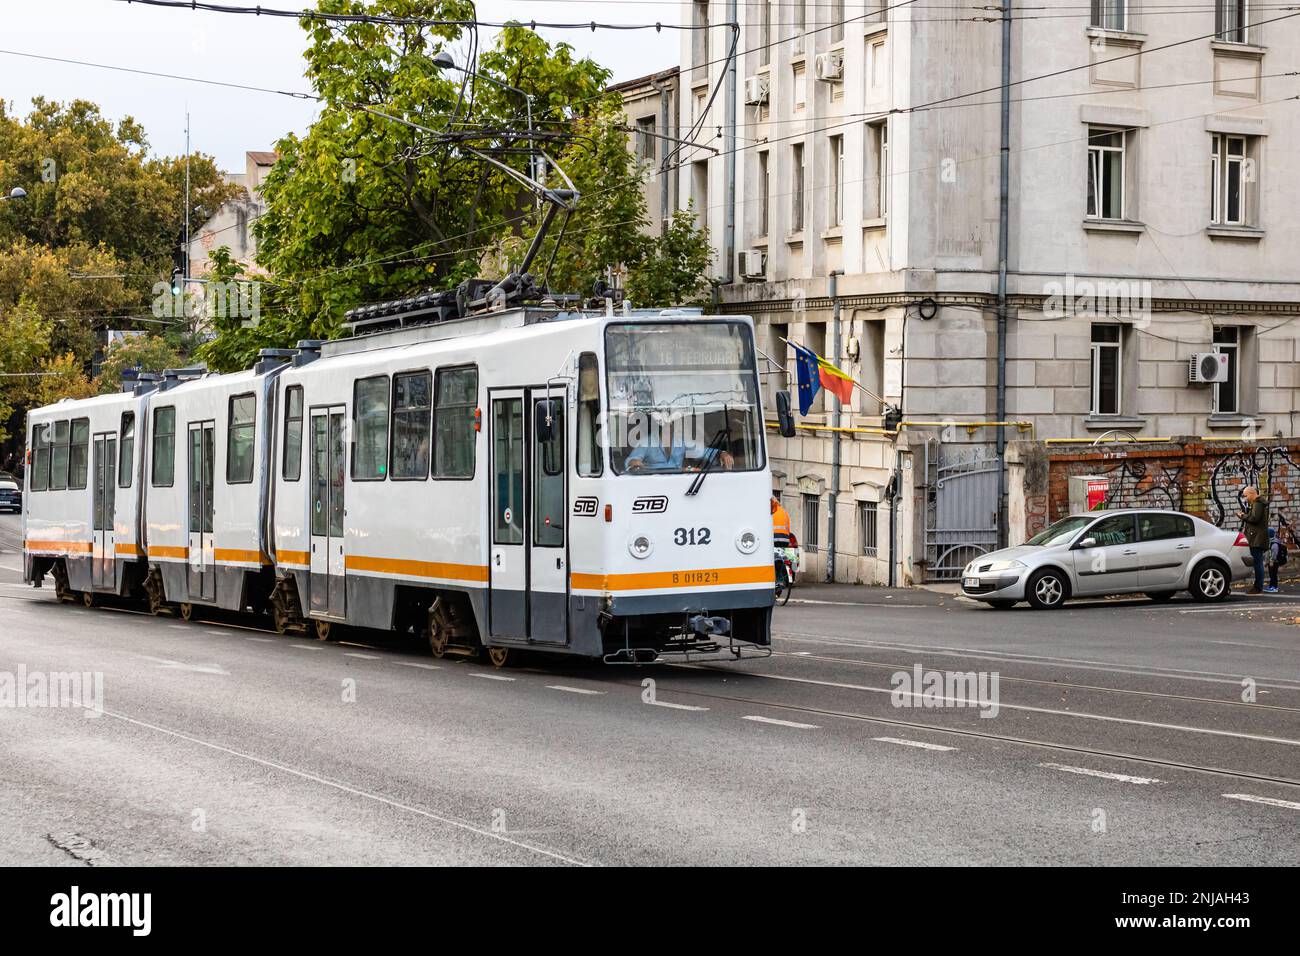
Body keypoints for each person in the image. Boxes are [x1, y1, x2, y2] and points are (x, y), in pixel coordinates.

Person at [1239, 486, 1269, 595]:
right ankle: (1258, 586)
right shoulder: (1258, 504)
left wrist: (1243, 516)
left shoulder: (1258, 504)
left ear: (1252, 493)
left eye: (1246, 495)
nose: (1246, 498)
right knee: (1258, 562)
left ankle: (1258, 587)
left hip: (1257, 538)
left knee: (1257, 563)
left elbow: (1254, 519)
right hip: (1256, 537)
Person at [1265, 526, 1287, 594]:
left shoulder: (1274, 543)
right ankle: (1271, 586)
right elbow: (1268, 553)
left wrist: (1271, 560)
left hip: (1274, 562)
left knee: (1273, 575)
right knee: (1271, 575)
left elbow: (1274, 552)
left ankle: (1275, 587)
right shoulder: (1270, 541)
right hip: (1271, 562)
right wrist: (1267, 561)